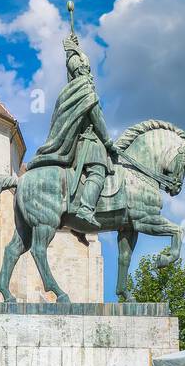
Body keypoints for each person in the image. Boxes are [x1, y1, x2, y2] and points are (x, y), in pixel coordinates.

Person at [26, 25, 117, 229]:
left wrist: (74, 50)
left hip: (80, 143)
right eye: (87, 70)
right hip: (89, 145)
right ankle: (85, 207)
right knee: (97, 172)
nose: (90, 74)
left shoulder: (71, 92)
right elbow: (98, 120)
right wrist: (109, 143)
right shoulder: (86, 92)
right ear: (82, 71)